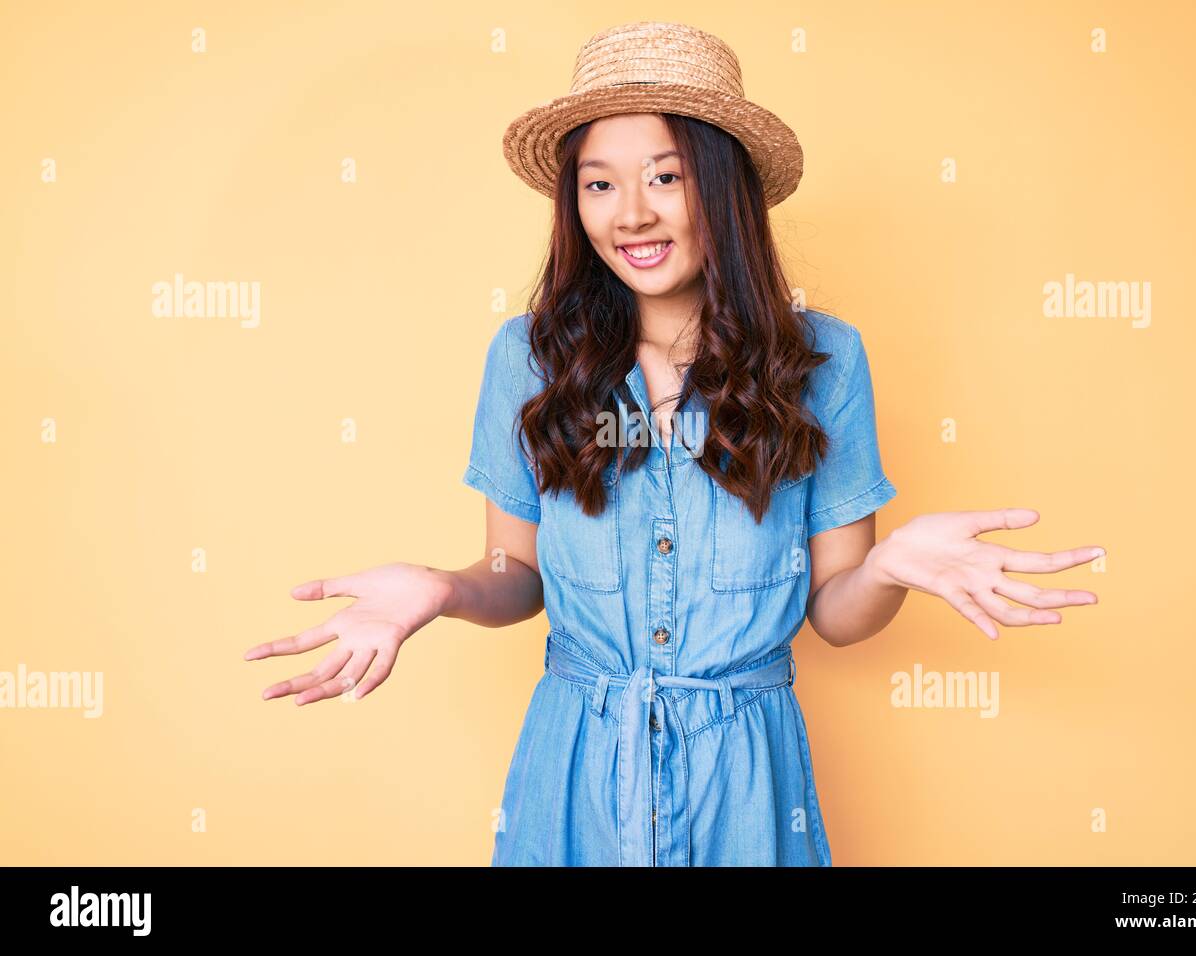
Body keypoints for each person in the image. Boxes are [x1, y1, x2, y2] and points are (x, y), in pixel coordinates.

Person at [244, 21, 1104, 866]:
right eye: (599, 184)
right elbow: (518, 579)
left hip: (749, 785)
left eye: (667, 175)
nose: (633, 214)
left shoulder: (825, 362)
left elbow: (837, 615)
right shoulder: (528, 357)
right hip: (575, 767)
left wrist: (887, 568)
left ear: (724, 190)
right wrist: (440, 588)